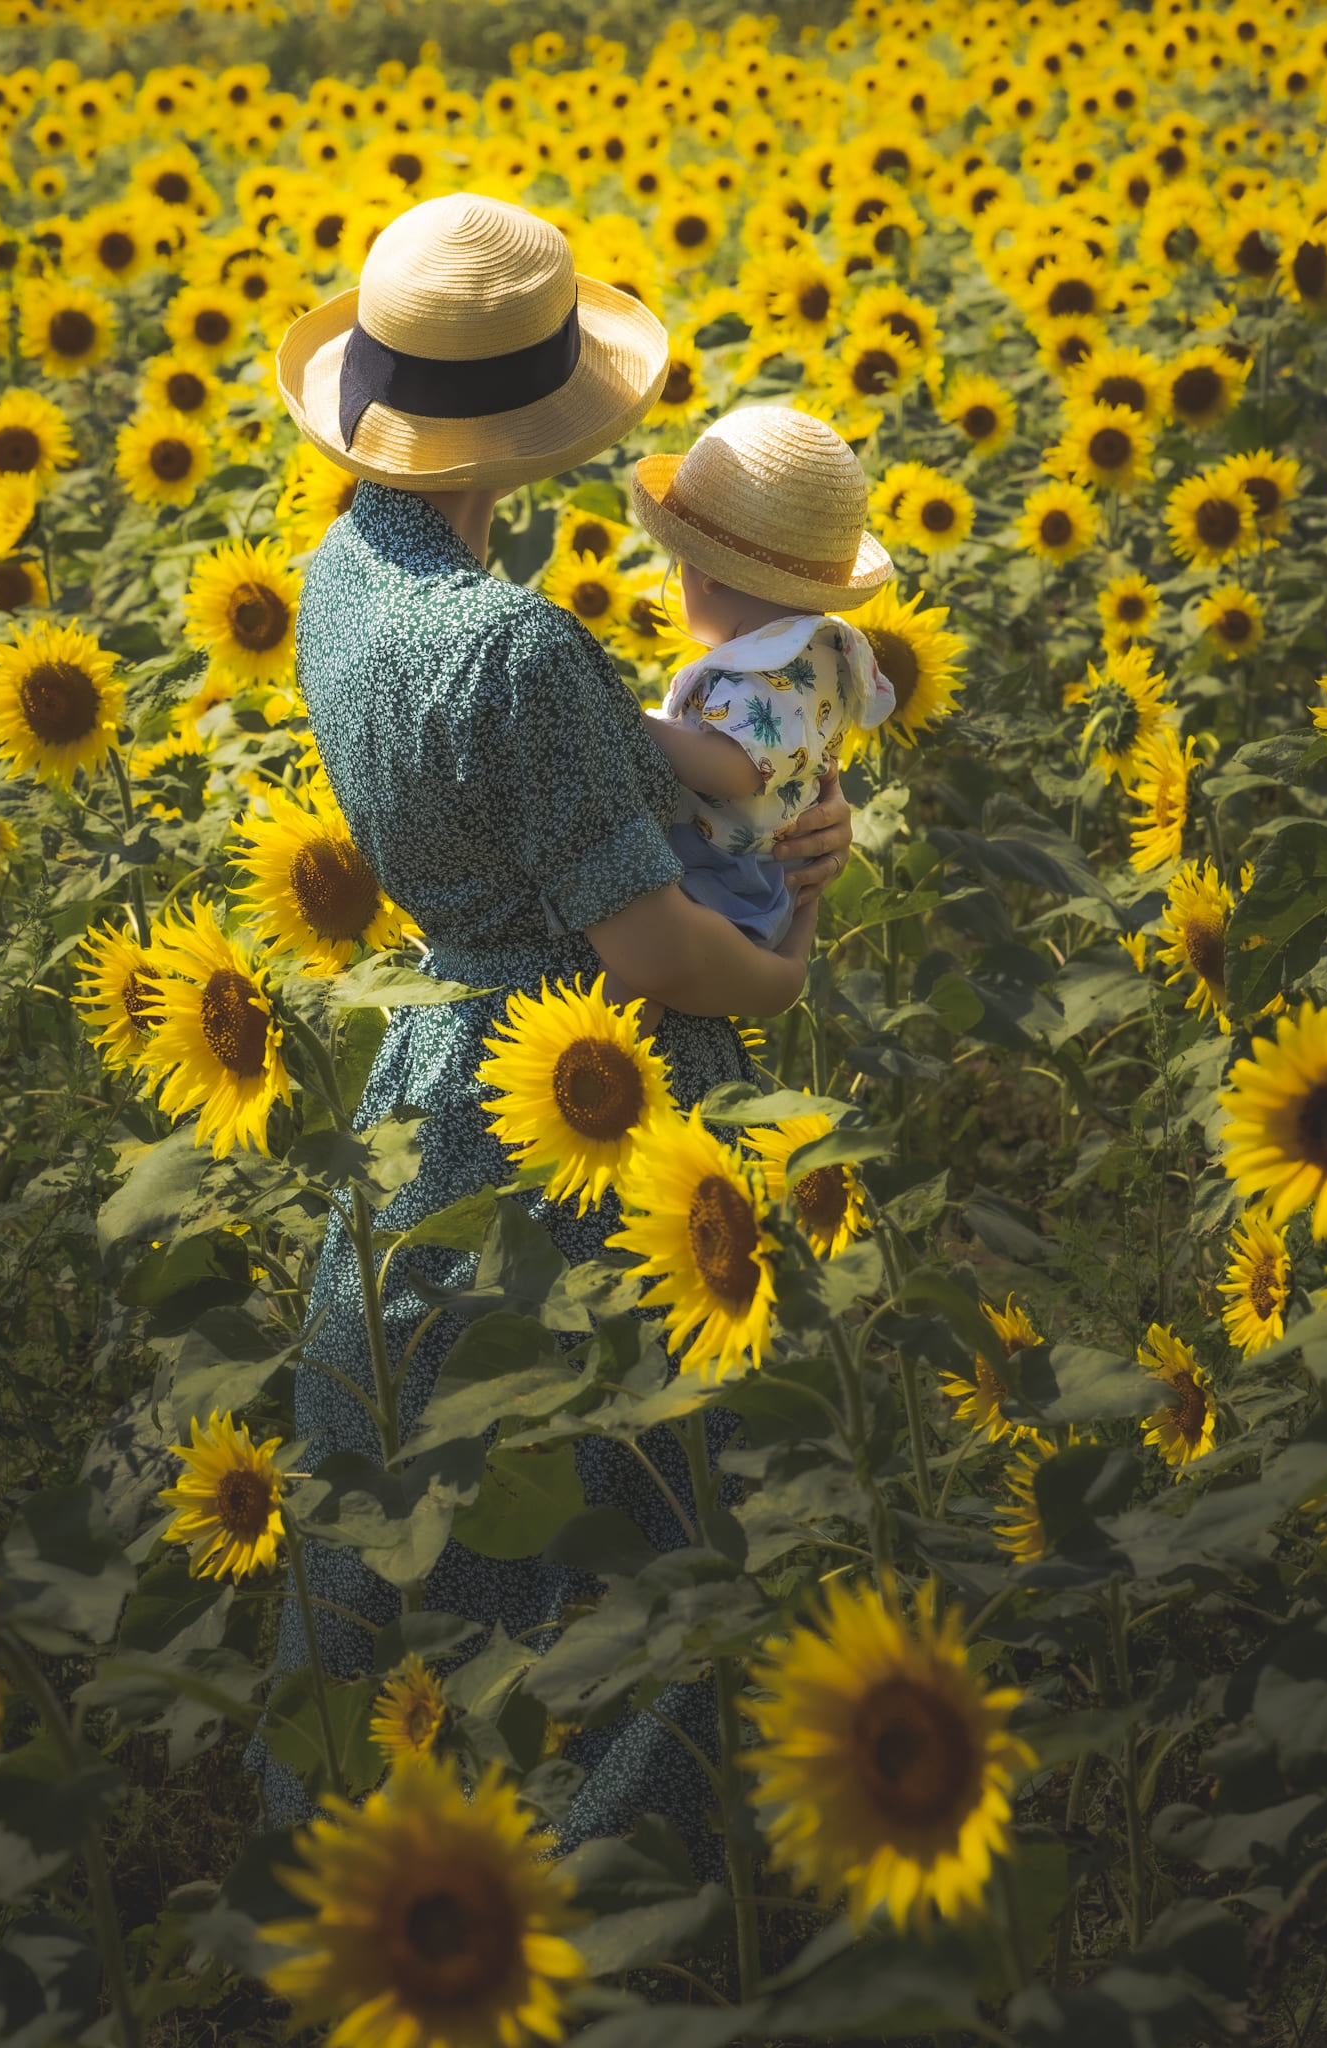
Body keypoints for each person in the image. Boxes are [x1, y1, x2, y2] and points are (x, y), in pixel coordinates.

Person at [257, 192, 859, 1857]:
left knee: (430, 1458)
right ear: (529, 422)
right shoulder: (510, 643)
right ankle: (613, 1875)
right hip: (578, 1090)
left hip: (433, 1066)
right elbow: (657, 948)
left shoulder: (334, 581)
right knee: (623, 1495)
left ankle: (374, 1847)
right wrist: (794, 932)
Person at [632, 407, 896, 946]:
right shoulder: (816, 652)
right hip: (759, 873)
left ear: (704, 576)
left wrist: (630, 723)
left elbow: (735, 770)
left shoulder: (767, 672)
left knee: (642, 962)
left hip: (723, 879)